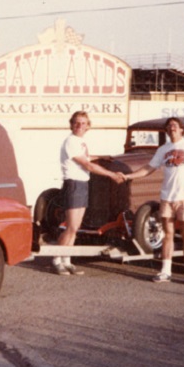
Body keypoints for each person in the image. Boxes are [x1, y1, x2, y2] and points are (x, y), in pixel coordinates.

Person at [124, 117, 184, 285]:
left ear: (182, 130)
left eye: (175, 126)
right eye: (169, 127)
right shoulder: (163, 149)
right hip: (167, 197)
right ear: (167, 131)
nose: (172, 128)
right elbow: (148, 168)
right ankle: (165, 271)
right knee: (168, 235)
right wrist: (128, 176)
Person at [54, 111, 126, 276]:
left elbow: (86, 157)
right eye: (77, 123)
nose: (80, 126)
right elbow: (87, 165)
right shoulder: (71, 141)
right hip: (73, 184)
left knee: (75, 227)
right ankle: (57, 260)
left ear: (88, 126)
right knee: (71, 227)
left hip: (82, 184)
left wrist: (102, 157)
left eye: (83, 123)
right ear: (71, 124)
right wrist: (111, 175)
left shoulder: (80, 141)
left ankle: (67, 261)